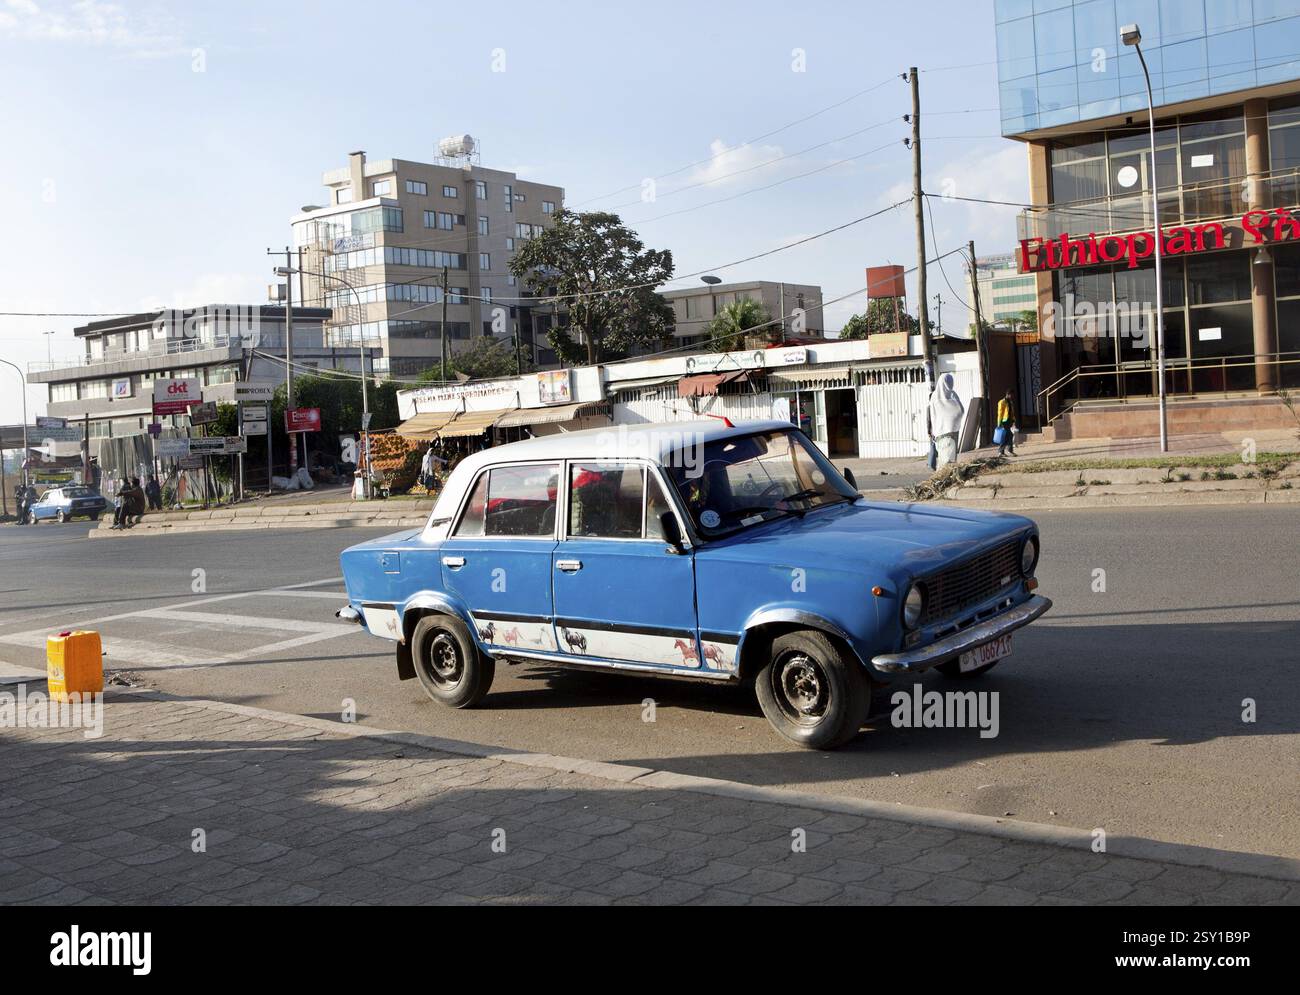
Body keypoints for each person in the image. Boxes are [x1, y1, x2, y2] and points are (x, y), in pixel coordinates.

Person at [926, 373, 965, 469]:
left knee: (944, 457)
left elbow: (932, 416)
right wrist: (952, 419)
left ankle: (944, 476)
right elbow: (960, 411)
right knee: (950, 458)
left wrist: (933, 430)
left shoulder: (935, 397)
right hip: (951, 431)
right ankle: (946, 476)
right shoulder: (952, 395)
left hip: (940, 432)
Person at [996, 389, 1018, 457]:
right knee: (1006, 436)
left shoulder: (1010, 402)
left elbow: (1012, 412)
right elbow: (1000, 413)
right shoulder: (1002, 402)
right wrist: (999, 423)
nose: (1012, 396)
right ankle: (1003, 451)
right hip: (1004, 421)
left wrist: (1013, 420)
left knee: (1008, 435)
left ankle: (1003, 451)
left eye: (1012, 395)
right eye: (1011, 395)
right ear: (1007, 394)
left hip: (1009, 421)